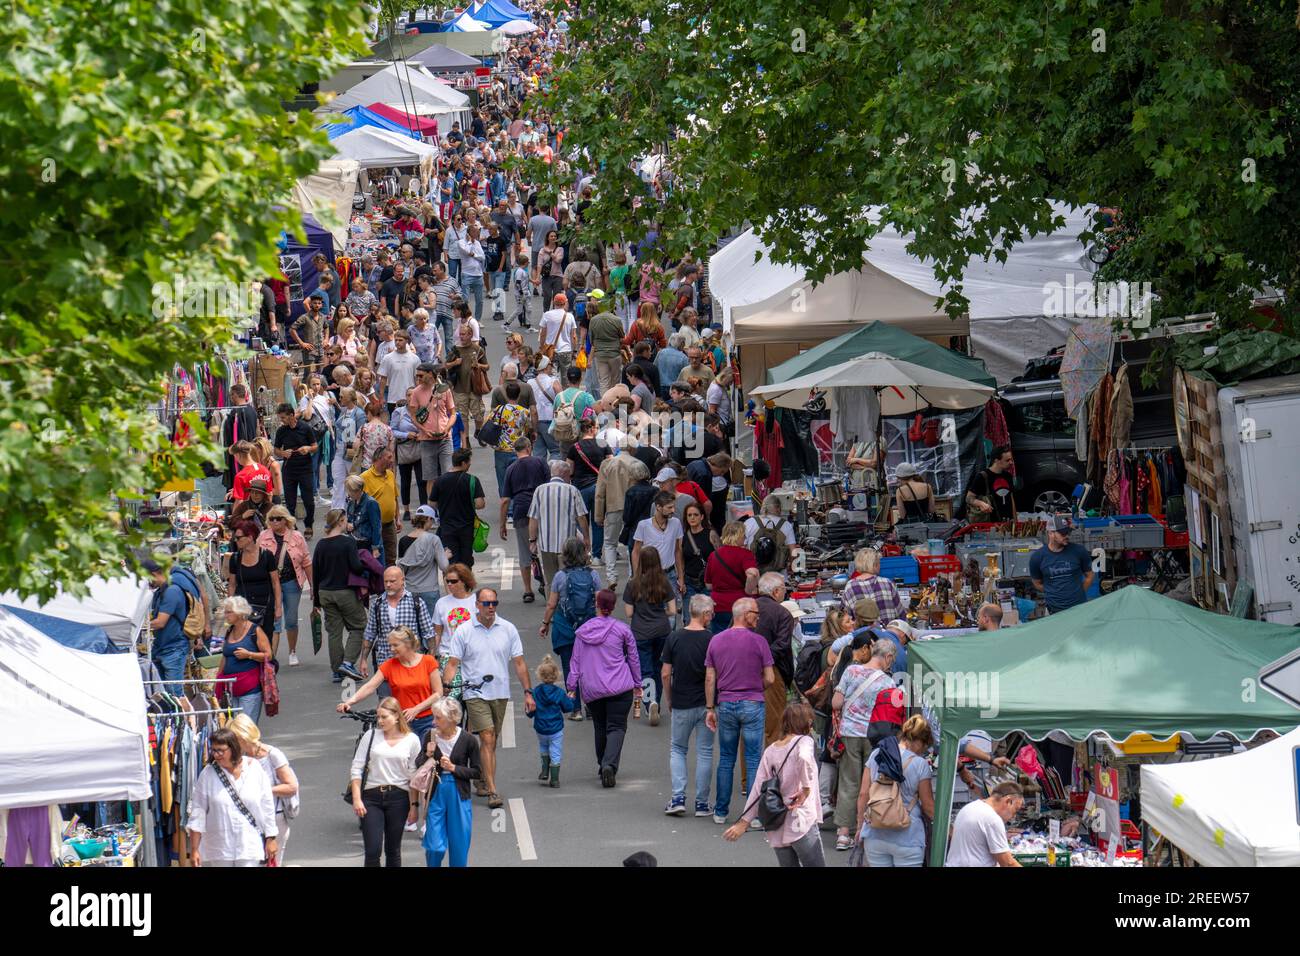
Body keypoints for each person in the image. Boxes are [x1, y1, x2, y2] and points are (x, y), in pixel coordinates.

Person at [441, 589, 534, 810]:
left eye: (494, 603)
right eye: (486, 603)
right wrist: (446, 690)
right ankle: (493, 790)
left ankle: (482, 776)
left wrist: (528, 692)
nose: (491, 607)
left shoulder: (508, 629)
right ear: (477, 605)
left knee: (491, 743)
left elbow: (519, 663)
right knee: (488, 737)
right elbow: (453, 663)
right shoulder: (464, 631)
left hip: (500, 693)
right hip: (475, 693)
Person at [722, 703, 824, 867]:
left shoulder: (771, 750)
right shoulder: (804, 741)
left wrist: (743, 822)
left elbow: (758, 789)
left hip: (777, 823)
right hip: (800, 821)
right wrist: (805, 789)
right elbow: (804, 757)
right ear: (807, 722)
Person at [705, 598, 774, 825]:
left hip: (726, 702)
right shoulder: (759, 642)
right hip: (753, 702)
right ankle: (752, 814)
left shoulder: (716, 641)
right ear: (744, 614)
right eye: (755, 613)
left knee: (726, 758)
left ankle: (721, 811)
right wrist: (756, 687)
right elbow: (770, 678)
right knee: (754, 759)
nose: (758, 617)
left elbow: (710, 677)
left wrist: (709, 707)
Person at [569, 589, 642, 788]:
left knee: (599, 726)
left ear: (597, 605)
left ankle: (603, 764)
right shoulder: (622, 630)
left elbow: (575, 661)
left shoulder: (583, 632)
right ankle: (609, 764)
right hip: (620, 686)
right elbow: (633, 658)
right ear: (613, 606)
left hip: (592, 688)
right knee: (617, 727)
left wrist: (571, 686)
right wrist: (637, 683)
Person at [831, 635, 897, 850]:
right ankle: (865, 829)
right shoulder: (887, 682)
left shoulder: (851, 671)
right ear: (887, 657)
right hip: (873, 736)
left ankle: (843, 832)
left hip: (849, 734)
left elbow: (836, 702)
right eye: (892, 660)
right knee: (870, 783)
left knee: (848, 782)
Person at [186, 728, 277, 867]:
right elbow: (198, 812)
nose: (216, 755)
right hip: (219, 849)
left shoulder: (254, 769)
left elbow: (267, 805)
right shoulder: (207, 774)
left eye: (221, 750)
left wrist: (271, 838)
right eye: (214, 750)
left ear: (233, 748)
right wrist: (194, 850)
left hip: (249, 846)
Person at [661, 593, 716, 817]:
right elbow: (713, 675)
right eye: (711, 613)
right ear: (704, 614)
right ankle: (702, 803)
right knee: (704, 751)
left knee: (678, 749)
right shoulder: (711, 640)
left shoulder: (674, 638)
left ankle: (677, 797)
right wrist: (712, 705)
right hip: (706, 703)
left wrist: (669, 698)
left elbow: (666, 673)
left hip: (681, 700)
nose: (712, 616)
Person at [339, 626, 443, 744]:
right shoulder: (389, 665)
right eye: (390, 645)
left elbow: (438, 693)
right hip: (402, 723)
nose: (391, 649)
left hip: (428, 722)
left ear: (407, 644)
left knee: (427, 758)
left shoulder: (428, 661)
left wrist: (416, 709)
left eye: (395, 645)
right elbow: (370, 686)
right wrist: (349, 702)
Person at [349, 697, 420, 868]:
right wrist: (357, 799)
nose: (380, 721)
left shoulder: (412, 740)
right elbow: (357, 768)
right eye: (378, 717)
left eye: (384, 717)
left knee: (393, 849)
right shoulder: (370, 736)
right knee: (372, 849)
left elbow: (414, 776)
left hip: (399, 797)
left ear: (397, 716)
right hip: (371, 797)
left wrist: (414, 806)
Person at [856, 715, 935, 867]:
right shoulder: (920, 764)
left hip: (874, 832)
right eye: (924, 747)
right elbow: (928, 807)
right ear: (920, 741)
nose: (923, 751)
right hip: (908, 838)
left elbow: (863, 794)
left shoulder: (877, 754)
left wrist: (860, 827)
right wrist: (948, 830)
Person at [539, 537, 602, 719]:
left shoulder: (560, 576)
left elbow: (551, 604)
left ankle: (575, 709)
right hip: (589, 629)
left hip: (565, 628)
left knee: (569, 668)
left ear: (565, 555)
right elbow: (599, 602)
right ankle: (591, 706)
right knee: (589, 668)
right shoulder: (593, 575)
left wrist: (545, 624)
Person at [416, 697, 481, 867]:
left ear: (452, 717)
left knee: (459, 846)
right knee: (434, 847)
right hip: (435, 791)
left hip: (459, 793)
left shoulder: (468, 739)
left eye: (438, 718)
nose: (433, 721)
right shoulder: (429, 736)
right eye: (434, 717)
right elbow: (418, 763)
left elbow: (477, 772)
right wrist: (428, 754)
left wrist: (453, 768)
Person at [228, 714, 298, 865]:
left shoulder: (272, 755)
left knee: (271, 863)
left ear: (244, 737)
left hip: (274, 818)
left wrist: (264, 790)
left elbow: (291, 786)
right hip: (251, 820)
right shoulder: (242, 758)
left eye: (234, 740)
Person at [623, 548, 677, 726]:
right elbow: (672, 610)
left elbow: (629, 613)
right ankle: (657, 703)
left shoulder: (633, 584)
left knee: (645, 670)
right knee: (659, 668)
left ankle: (649, 702)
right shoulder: (664, 582)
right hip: (662, 631)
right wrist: (661, 612)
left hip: (641, 633)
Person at [312, 508, 366, 684]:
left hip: (325, 592)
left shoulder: (321, 544)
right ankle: (348, 662)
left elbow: (316, 573)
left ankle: (336, 670)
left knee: (334, 632)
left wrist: (317, 601)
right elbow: (356, 567)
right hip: (345, 590)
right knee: (358, 626)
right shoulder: (348, 542)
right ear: (341, 521)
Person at [361, 567, 436, 681]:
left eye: (392, 581)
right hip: (385, 664)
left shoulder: (416, 603)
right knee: (386, 698)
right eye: (386, 581)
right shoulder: (377, 604)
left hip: (412, 664)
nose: (388, 585)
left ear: (402, 580)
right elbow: (369, 634)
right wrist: (363, 660)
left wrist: (431, 659)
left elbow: (429, 633)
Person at [258, 506, 311, 665]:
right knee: (274, 620)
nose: (274, 521)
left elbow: (307, 562)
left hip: (292, 583)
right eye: (272, 518)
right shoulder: (263, 536)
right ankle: (271, 656)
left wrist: (313, 586)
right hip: (271, 585)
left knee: (291, 620)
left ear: (286, 520)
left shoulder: (296, 537)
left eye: (278, 518)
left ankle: (292, 651)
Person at [594, 435, 647, 589]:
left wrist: (598, 515)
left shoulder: (607, 464)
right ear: (632, 448)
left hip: (612, 507)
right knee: (634, 543)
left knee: (610, 543)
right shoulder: (638, 464)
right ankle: (633, 574)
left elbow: (600, 492)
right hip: (634, 509)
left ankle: (611, 577)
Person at [528, 459, 590, 589]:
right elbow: (581, 518)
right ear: (565, 474)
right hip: (568, 545)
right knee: (567, 579)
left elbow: (534, 519)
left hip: (546, 544)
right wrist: (586, 538)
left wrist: (532, 541)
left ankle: (552, 606)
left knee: (551, 581)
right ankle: (566, 606)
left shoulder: (540, 490)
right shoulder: (572, 490)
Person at [754, 572, 796, 746]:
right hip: (773, 671)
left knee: (750, 729)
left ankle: (748, 774)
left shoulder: (746, 608)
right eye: (784, 590)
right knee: (774, 725)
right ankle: (772, 770)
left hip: (745, 671)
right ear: (777, 591)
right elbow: (782, 645)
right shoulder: (782, 613)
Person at [226, 520, 282, 642]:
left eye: (239, 537)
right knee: (245, 643)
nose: (236, 540)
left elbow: (275, 583)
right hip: (243, 609)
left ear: (250, 537)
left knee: (265, 643)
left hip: (265, 608)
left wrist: (278, 607)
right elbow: (232, 585)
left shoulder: (267, 556)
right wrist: (230, 607)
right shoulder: (235, 559)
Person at [946, 781, 1025, 868]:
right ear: (1008, 801)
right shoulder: (992, 819)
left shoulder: (970, 807)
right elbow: (1008, 863)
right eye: (1016, 810)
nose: (1014, 816)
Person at [429, 448, 486, 566]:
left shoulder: (440, 481)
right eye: (469, 461)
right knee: (466, 562)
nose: (470, 464)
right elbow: (480, 504)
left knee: (450, 562)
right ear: (463, 463)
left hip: (447, 528)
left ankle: (452, 582)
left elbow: (431, 504)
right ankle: (466, 583)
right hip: (467, 528)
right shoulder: (472, 480)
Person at [530, 655, 579, 787]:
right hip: (556, 728)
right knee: (555, 751)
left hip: (540, 727)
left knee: (543, 747)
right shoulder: (559, 692)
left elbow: (531, 709)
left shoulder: (536, 692)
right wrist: (571, 699)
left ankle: (545, 771)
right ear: (556, 675)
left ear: (539, 675)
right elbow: (567, 708)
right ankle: (555, 779)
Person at [408, 364, 456, 496]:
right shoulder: (417, 392)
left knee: (448, 474)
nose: (418, 378)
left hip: (445, 438)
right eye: (417, 375)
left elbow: (453, 413)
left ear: (430, 374)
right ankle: (432, 510)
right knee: (430, 478)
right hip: (427, 440)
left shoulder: (444, 389)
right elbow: (413, 416)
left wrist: (447, 428)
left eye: (421, 375)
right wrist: (424, 430)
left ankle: (448, 505)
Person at [145, 561, 193, 695]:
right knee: (162, 693)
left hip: (173, 648)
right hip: (161, 647)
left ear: (153, 574)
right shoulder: (160, 592)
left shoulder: (172, 591)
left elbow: (160, 622)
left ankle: (179, 716)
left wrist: (140, 626)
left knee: (174, 692)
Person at [1029, 515, 1094, 613]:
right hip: (1054, 610)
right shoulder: (1037, 557)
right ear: (1051, 533)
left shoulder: (1079, 551)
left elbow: (1089, 576)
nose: (1067, 536)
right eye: (1063, 533)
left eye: (1068, 532)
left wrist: (1078, 593)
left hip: (1079, 608)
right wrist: (1054, 594)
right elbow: (1037, 584)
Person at [703, 521, 759, 634]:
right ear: (738, 536)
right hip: (740, 605)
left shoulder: (714, 555)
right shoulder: (745, 554)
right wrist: (748, 590)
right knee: (741, 640)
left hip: (718, 605)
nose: (744, 538)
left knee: (720, 639)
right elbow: (752, 573)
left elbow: (708, 585)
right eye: (743, 535)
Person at [397, 504, 448, 618]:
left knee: (412, 629)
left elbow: (401, 568)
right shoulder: (434, 540)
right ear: (428, 519)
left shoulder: (403, 541)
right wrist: (445, 556)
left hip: (410, 590)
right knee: (430, 629)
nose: (432, 524)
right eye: (432, 520)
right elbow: (444, 566)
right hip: (429, 590)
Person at [631, 490, 686, 596]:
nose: (673, 510)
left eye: (673, 507)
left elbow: (678, 551)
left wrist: (681, 577)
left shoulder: (676, 523)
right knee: (652, 610)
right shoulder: (643, 525)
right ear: (658, 507)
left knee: (671, 611)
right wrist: (636, 578)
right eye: (669, 507)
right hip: (649, 575)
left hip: (670, 575)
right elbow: (636, 552)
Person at [444, 325, 489, 443]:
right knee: (462, 415)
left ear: (470, 335)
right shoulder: (455, 349)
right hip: (459, 388)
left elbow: (487, 366)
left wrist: (478, 365)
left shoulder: (478, 349)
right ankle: (466, 440)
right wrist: (454, 362)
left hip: (475, 387)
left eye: (463, 334)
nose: (461, 336)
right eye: (460, 334)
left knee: (478, 414)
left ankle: (478, 430)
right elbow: (446, 365)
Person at [839, 548, 906, 623]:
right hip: (888, 633)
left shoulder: (850, 586)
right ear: (875, 565)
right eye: (879, 563)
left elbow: (844, 616)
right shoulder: (887, 583)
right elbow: (900, 613)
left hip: (863, 634)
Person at [361, 447, 401, 567]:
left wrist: (397, 518)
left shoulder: (390, 474)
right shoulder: (364, 477)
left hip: (390, 525)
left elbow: (395, 498)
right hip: (374, 527)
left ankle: (390, 582)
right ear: (379, 458)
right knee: (376, 559)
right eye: (389, 457)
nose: (392, 460)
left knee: (391, 557)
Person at [681, 501, 718, 624]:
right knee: (689, 620)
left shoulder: (711, 534)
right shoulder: (683, 537)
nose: (692, 518)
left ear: (702, 517)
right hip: (689, 582)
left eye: (695, 515)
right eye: (689, 515)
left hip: (708, 583)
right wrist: (681, 580)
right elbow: (680, 559)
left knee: (708, 621)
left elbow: (720, 557)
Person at [967, 444, 1017, 520]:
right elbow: (969, 498)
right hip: (990, 523)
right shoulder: (983, 476)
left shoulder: (1008, 476)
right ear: (996, 461)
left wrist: (1015, 520)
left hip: (1008, 523)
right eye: (1007, 460)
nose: (1011, 463)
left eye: (1011, 459)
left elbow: (1011, 498)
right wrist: (981, 503)